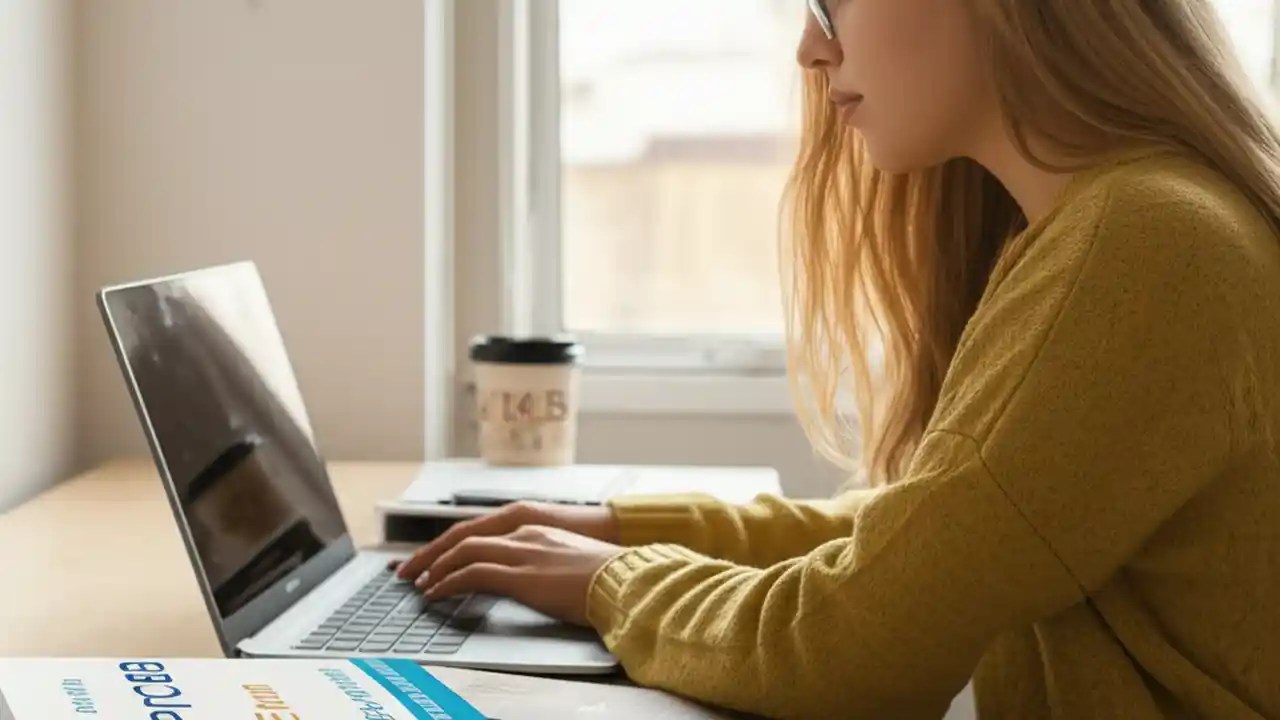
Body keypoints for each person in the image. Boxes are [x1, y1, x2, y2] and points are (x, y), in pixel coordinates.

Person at [395, 1, 1280, 717]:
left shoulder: (1146, 246)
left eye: (832, 0)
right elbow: (927, 541)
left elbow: (851, 653)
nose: (810, 49)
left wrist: (613, 584)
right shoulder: (1120, 226)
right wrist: (630, 530)